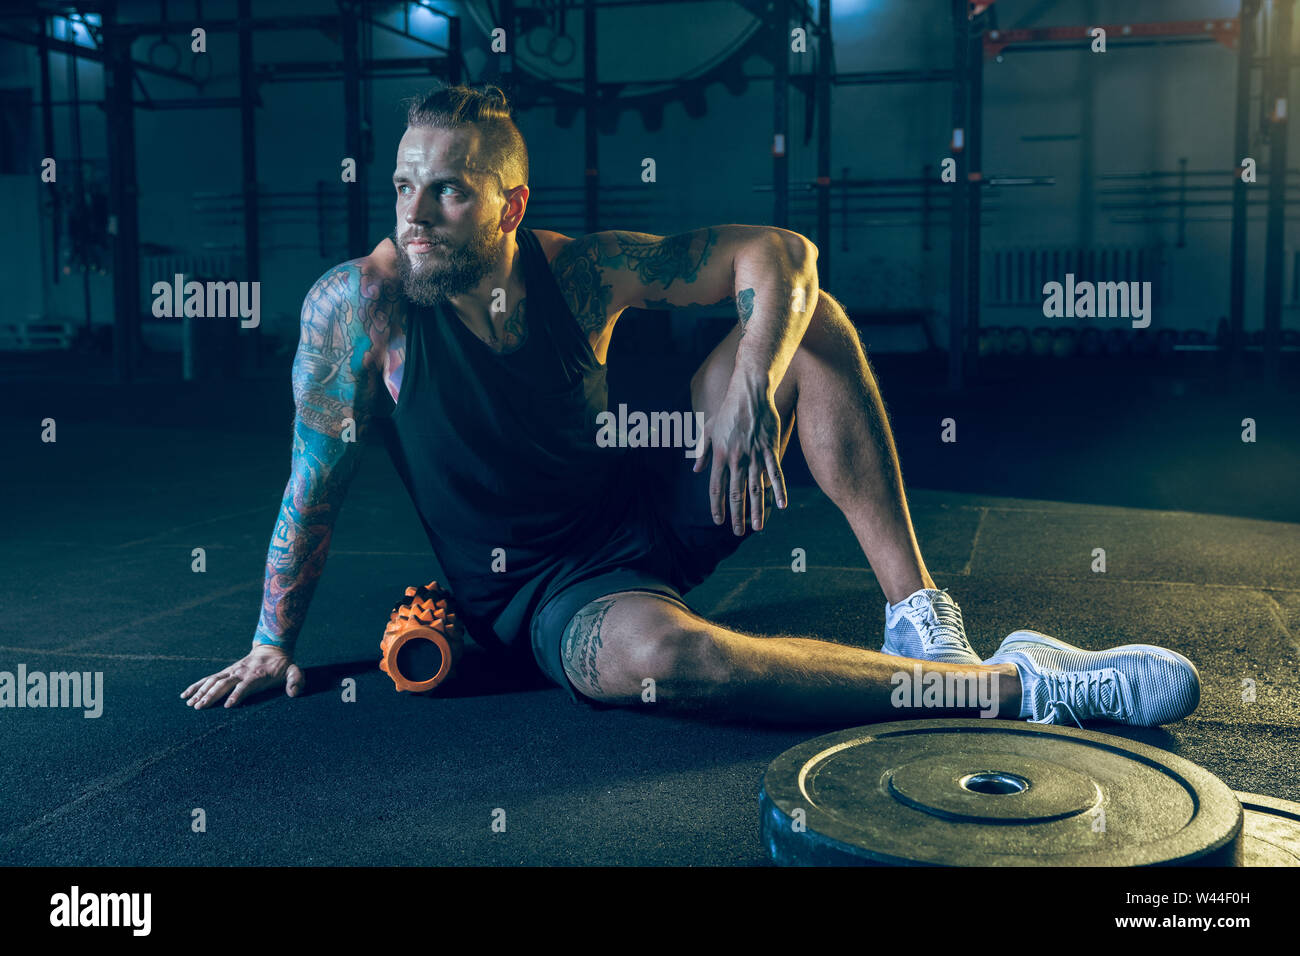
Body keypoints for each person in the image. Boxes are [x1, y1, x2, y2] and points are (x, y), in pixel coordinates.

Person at [182, 85, 1199, 728]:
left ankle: (920, 621)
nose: (413, 213)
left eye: (447, 190)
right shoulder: (358, 308)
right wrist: (274, 643)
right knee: (670, 660)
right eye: (405, 184)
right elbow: (310, 483)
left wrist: (754, 379)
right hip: (543, 591)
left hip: (655, 498)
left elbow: (784, 255)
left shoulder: (578, 274)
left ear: (510, 204)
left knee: (814, 322)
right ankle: (1021, 686)